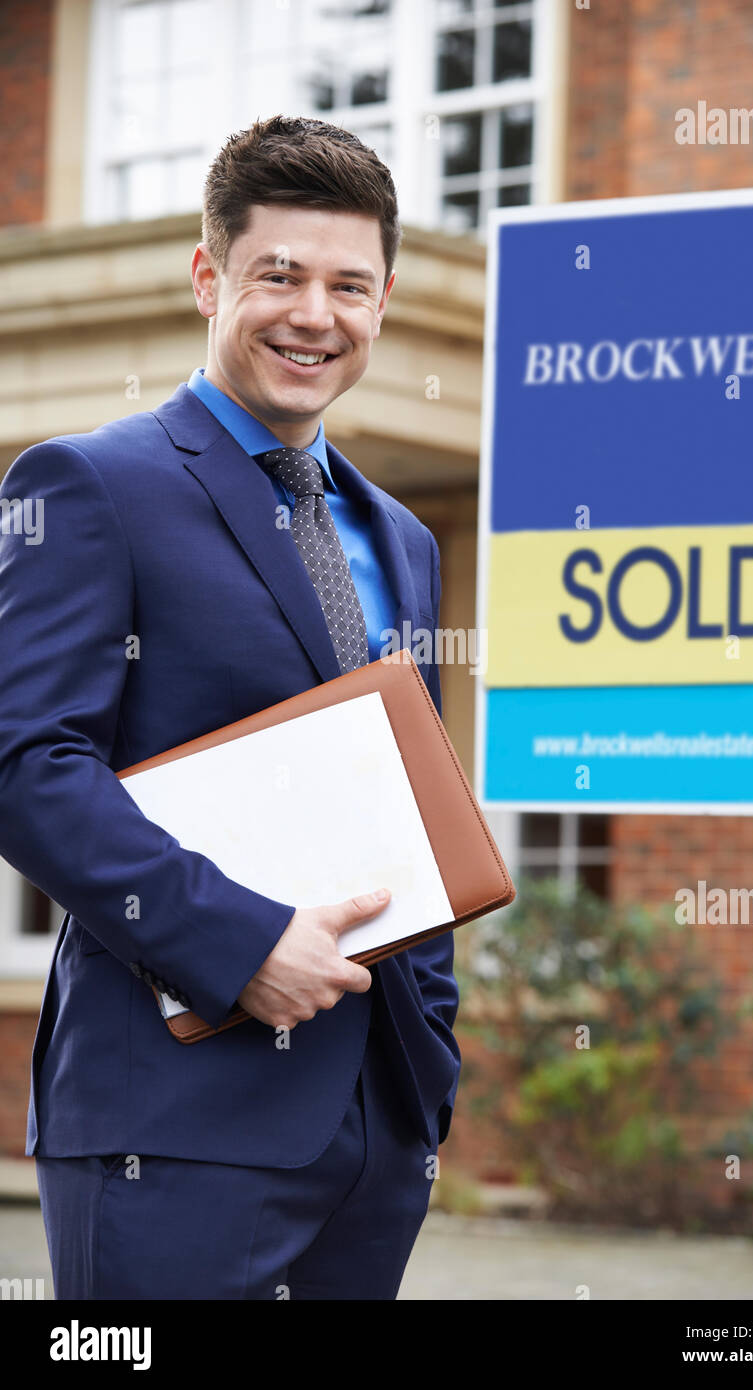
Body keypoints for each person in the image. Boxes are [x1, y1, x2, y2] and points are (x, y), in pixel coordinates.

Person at [0, 115, 460, 1301]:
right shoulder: (89, 484)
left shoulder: (401, 539)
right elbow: (25, 764)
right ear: (210, 276)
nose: (317, 314)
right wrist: (241, 943)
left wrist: (434, 1062)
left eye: (350, 285)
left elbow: (413, 796)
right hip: (172, 1122)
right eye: (281, 276)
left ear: (385, 300)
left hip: (375, 1130)